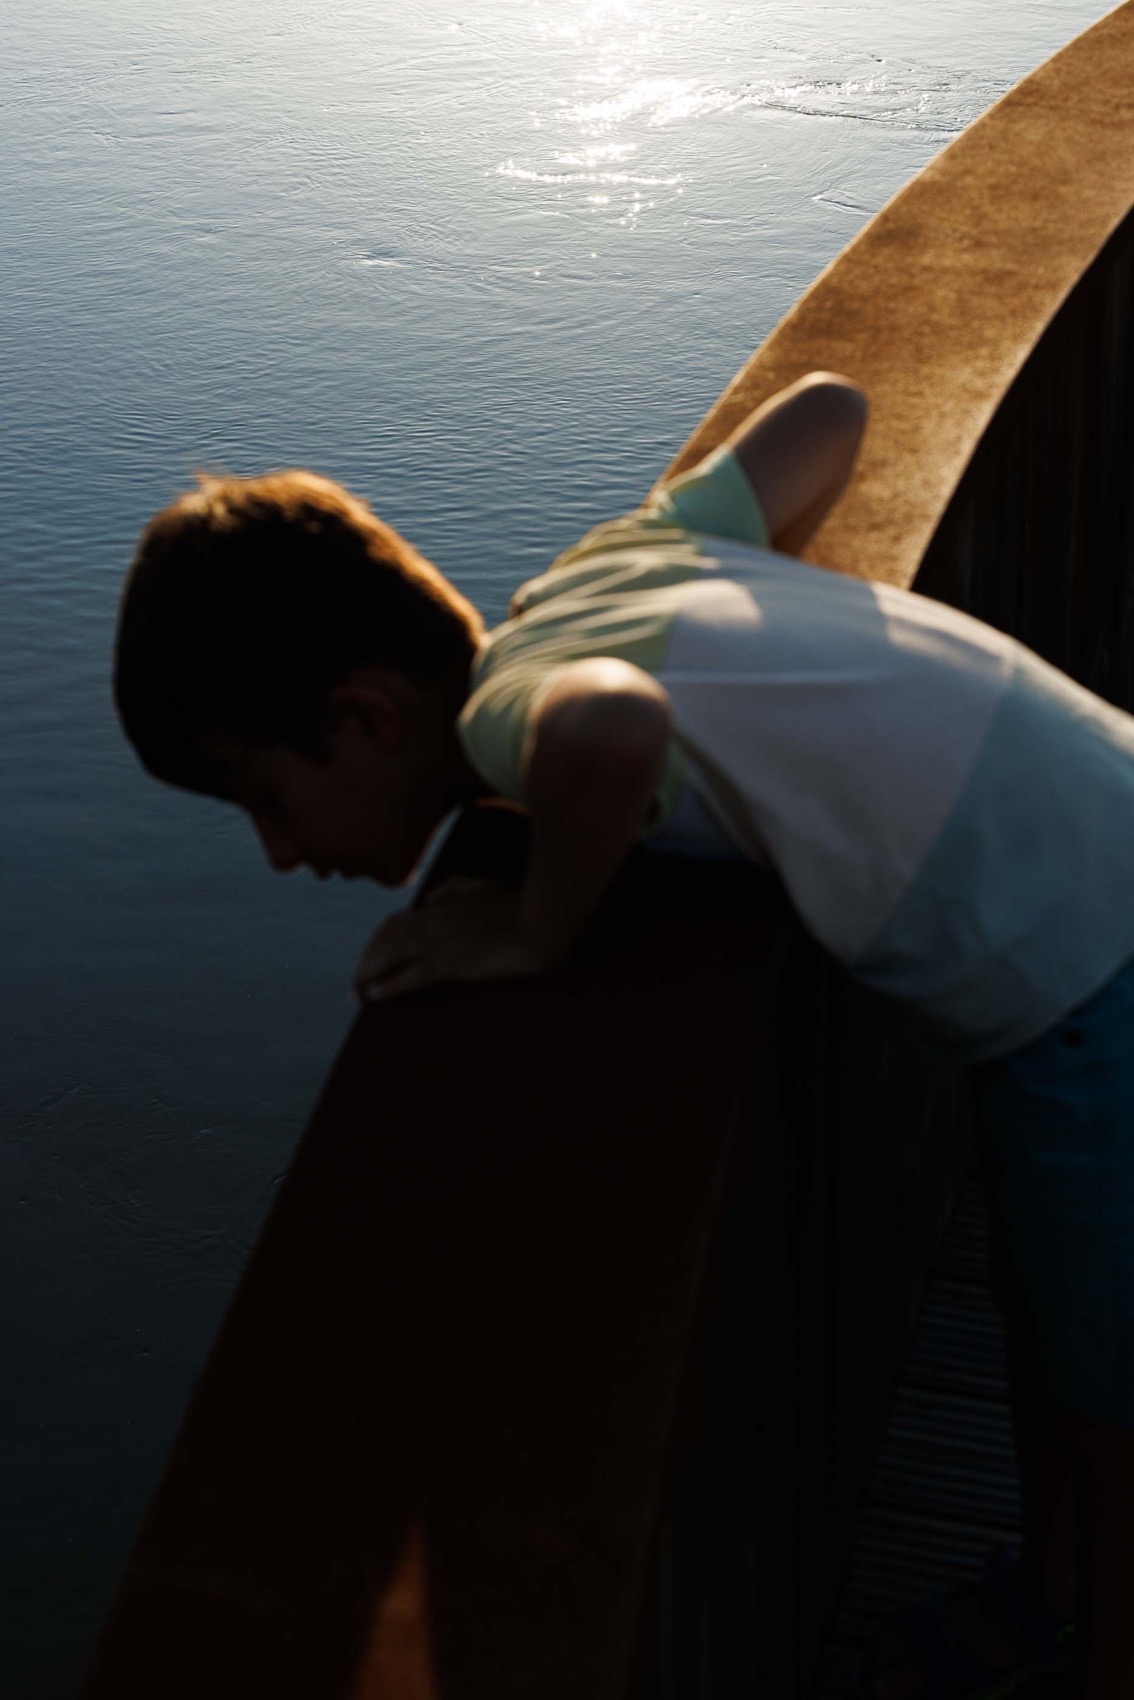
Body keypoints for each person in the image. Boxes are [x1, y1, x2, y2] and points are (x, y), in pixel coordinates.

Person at [114, 373, 1134, 1700]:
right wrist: (754, 638)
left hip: (1088, 976)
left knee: (1106, 1387)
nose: (279, 852)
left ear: (367, 717)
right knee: (1063, 1326)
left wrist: (534, 930)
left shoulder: (510, 711)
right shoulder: (610, 565)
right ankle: (1058, 1595)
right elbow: (829, 409)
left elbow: (608, 727)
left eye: (266, 798)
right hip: (1100, 842)